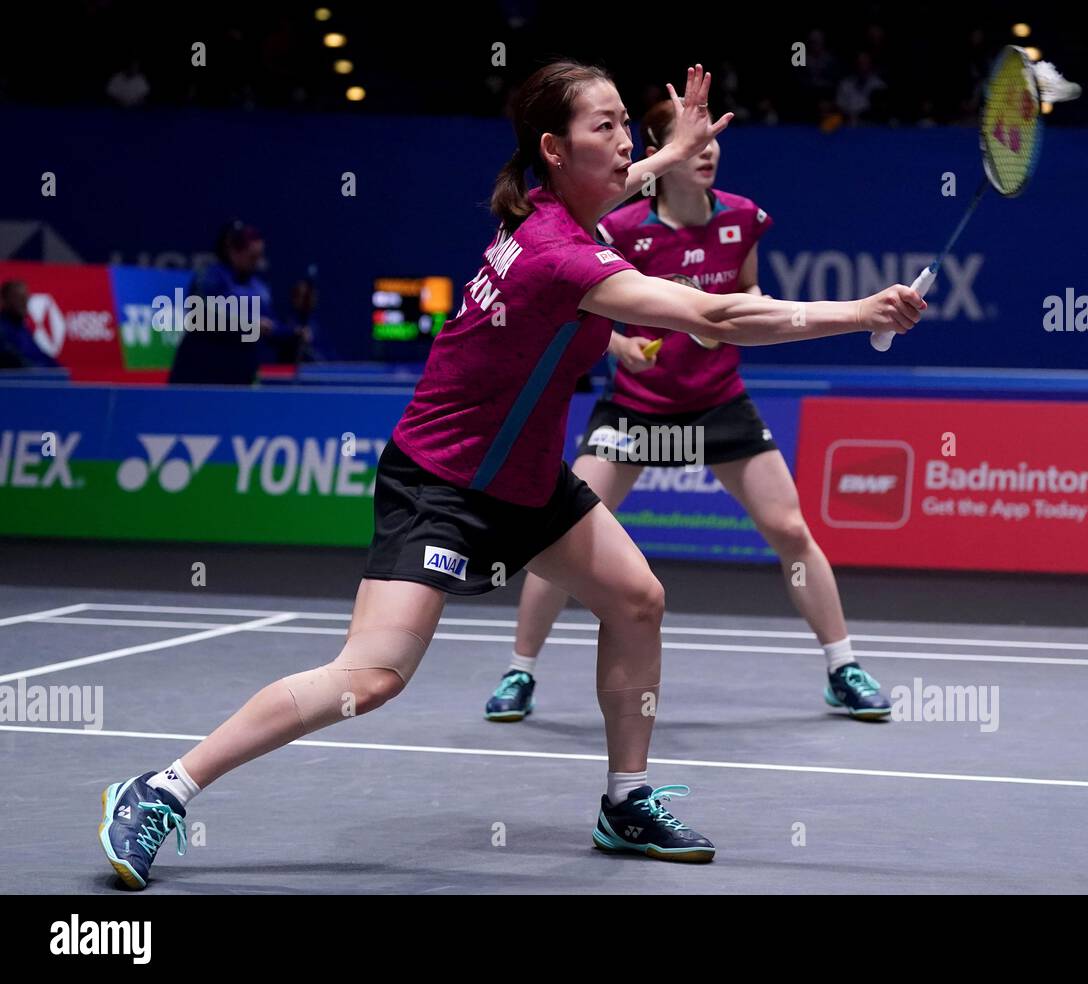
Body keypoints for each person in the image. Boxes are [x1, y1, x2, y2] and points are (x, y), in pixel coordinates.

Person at [98, 61, 924, 887]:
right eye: (602, 125)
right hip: (444, 483)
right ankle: (162, 788)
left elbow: (624, 179)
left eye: (621, 122)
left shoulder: (557, 204)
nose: (622, 137)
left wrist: (670, 153)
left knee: (637, 600)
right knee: (372, 676)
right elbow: (714, 315)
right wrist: (858, 313)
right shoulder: (560, 255)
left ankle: (625, 800)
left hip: (526, 480)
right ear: (554, 149)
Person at [485, 99, 893, 725]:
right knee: (559, 535)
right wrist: (620, 345)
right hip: (638, 409)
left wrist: (732, 316)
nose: (707, 151)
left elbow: (750, 290)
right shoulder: (620, 228)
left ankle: (843, 667)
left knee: (789, 530)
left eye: (712, 142)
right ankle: (520, 670)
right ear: (657, 154)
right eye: (691, 142)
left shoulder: (743, 218)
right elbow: (583, 301)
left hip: (717, 402)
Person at [167, 220, 275, 385]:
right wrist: (246, 325)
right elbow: (200, 317)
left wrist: (292, 334)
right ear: (233, 252)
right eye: (252, 257)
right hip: (200, 371)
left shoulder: (258, 287)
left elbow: (271, 324)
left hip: (238, 374)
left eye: (259, 257)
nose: (257, 263)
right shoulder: (210, 277)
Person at [0, 280, 58, 369]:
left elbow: (39, 355)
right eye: (19, 298)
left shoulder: (23, 330)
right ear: (5, 300)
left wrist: (59, 370)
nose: (24, 303)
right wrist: (37, 370)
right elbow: (12, 358)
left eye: (26, 298)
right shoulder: (3, 330)